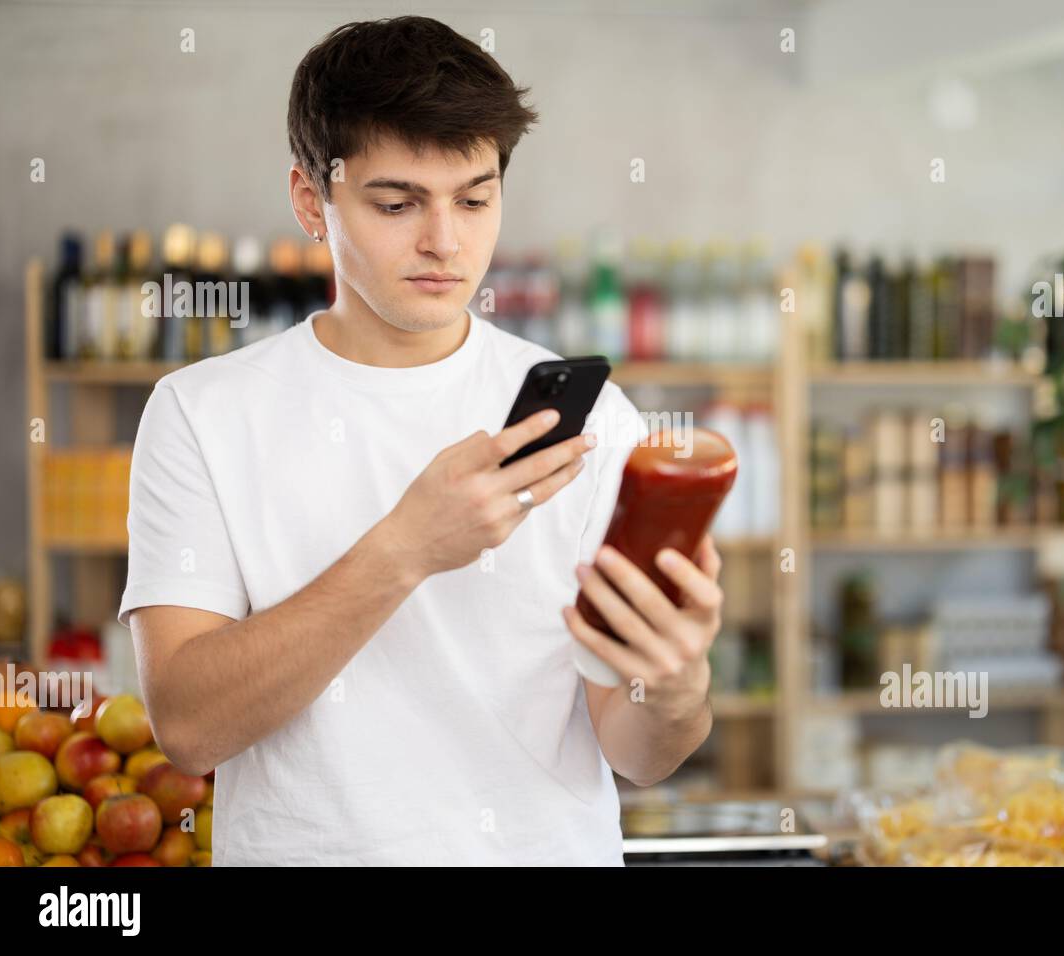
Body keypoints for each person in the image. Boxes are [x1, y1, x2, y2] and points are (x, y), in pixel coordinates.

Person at [120, 16, 724, 866]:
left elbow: (639, 754)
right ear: (312, 201)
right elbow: (188, 728)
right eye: (397, 204)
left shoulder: (594, 422)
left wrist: (676, 688)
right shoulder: (200, 413)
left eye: (474, 200)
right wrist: (407, 547)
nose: (445, 241)